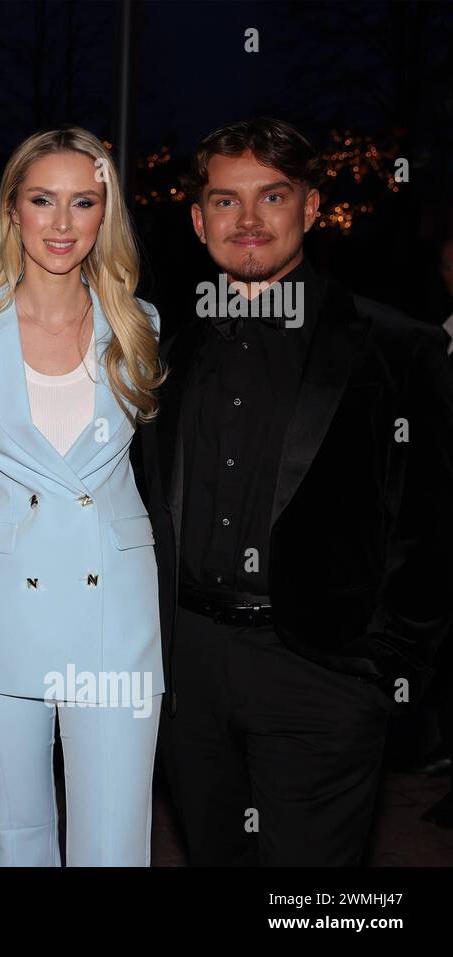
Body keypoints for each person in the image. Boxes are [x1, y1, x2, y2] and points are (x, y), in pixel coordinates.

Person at [138, 117, 453, 865]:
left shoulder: (398, 348)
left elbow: (437, 526)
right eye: (224, 201)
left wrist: (382, 669)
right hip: (188, 671)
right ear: (197, 219)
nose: (247, 220)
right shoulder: (165, 355)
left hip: (324, 670)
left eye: (272, 197)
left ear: (311, 208)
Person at [0, 126, 166, 866]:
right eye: (43, 199)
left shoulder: (140, 326)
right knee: (18, 838)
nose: (62, 223)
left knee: (113, 845)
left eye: (84, 202)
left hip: (116, 615)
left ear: (104, 214)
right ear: (12, 209)